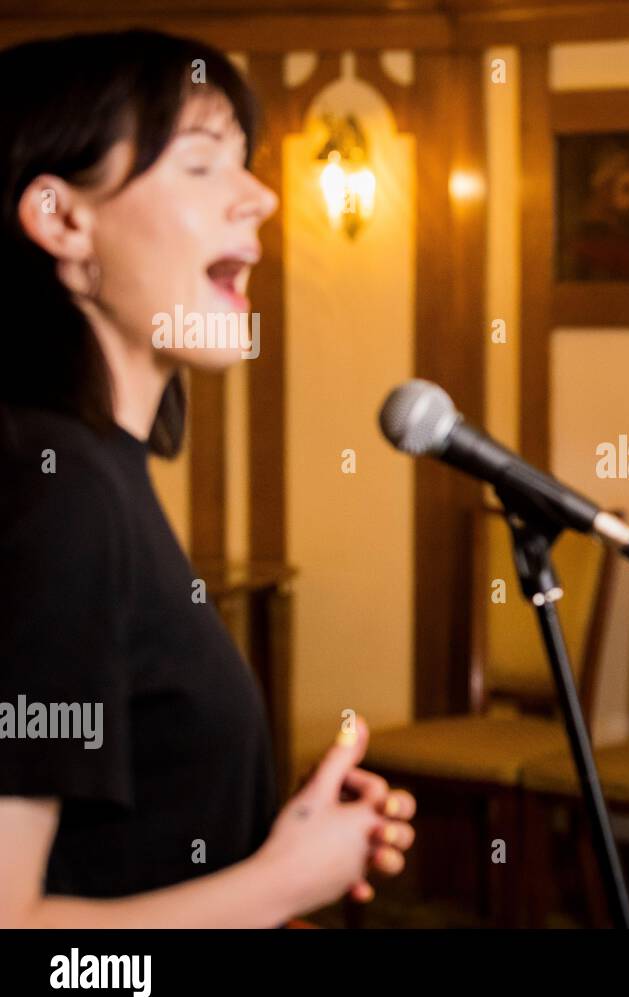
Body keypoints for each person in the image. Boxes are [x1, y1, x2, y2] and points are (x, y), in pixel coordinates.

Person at [0, 29, 415, 928]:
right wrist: (282, 884)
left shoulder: (98, 472)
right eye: (200, 165)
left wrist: (276, 836)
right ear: (62, 219)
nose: (262, 196)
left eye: (247, 163)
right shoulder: (57, 488)